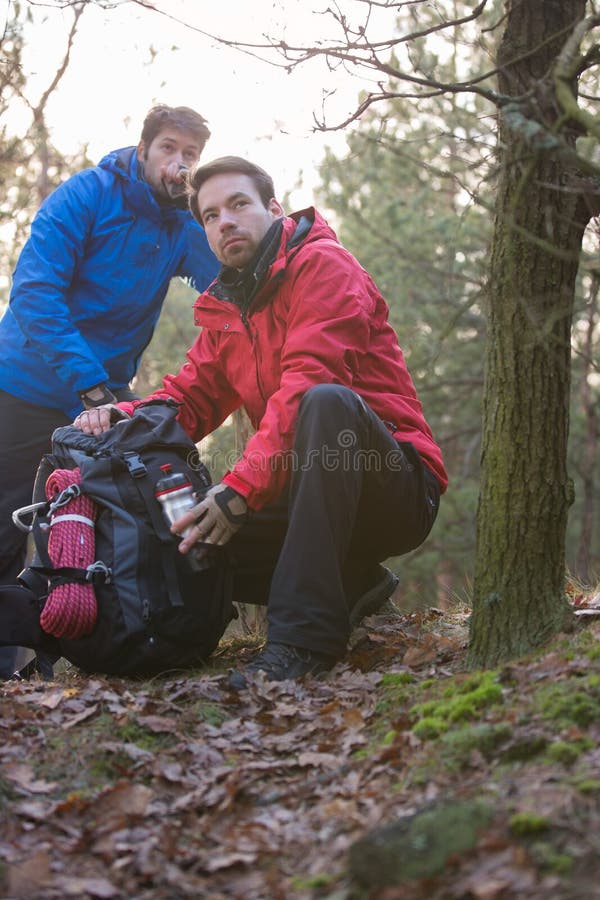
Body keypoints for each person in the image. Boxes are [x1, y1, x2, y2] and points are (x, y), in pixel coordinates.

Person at [73, 155, 448, 689]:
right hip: (309, 497)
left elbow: (305, 384)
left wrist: (240, 488)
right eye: (209, 215)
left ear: (273, 209)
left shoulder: (324, 266)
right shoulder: (228, 308)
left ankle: (302, 642)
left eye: (238, 204)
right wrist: (123, 414)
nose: (225, 221)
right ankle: (352, 580)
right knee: (180, 535)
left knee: (324, 402)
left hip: (395, 485)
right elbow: (189, 399)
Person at [0, 105, 219, 678]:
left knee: (94, 528)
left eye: (190, 156)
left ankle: (78, 649)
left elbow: (228, 277)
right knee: (6, 528)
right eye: (170, 149)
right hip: (22, 388)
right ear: (143, 148)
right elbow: (34, 292)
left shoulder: (182, 225)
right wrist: (92, 386)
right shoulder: (86, 195)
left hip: (100, 402)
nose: (179, 164)